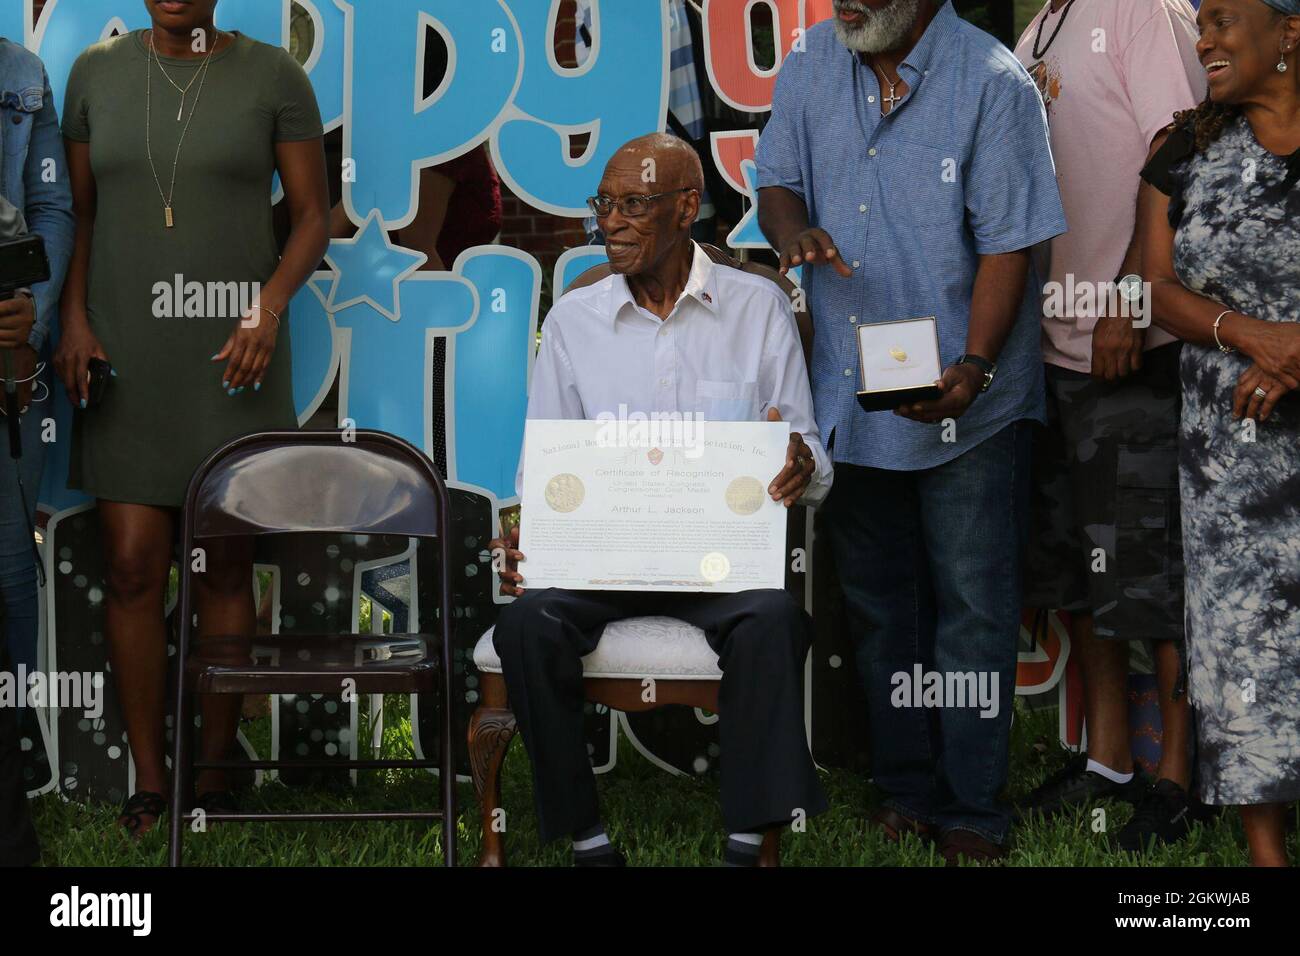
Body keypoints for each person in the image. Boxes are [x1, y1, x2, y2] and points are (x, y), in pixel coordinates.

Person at [755, 0, 1066, 863]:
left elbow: (1011, 248)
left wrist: (974, 366)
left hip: (970, 398)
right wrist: (792, 233)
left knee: (972, 607)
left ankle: (971, 807)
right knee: (881, 604)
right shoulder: (814, 57)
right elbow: (774, 177)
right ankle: (906, 788)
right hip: (852, 391)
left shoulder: (995, 85)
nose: (847, 3)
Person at [488, 132, 830, 867]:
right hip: (603, 565)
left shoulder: (757, 308)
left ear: (685, 207)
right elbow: (542, 468)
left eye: (634, 205)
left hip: (718, 567)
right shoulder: (575, 320)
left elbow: (804, 447)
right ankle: (587, 838)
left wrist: (801, 463)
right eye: (603, 205)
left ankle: (750, 840)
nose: (610, 223)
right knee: (526, 626)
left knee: (774, 619)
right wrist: (526, 535)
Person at [53, 0, 329, 836]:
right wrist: (73, 320)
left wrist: (267, 309)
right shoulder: (95, 75)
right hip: (126, 350)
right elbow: (81, 214)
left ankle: (215, 773)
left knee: (223, 569)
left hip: (233, 355)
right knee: (133, 564)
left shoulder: (274, 76)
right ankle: (149, 778)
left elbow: (315, 217)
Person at [1011, 0, 1207, 852]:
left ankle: (1183, 783)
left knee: (1150, 577)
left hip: (1130, 342)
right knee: (1080, 580)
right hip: (1051, 350)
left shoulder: (1139, 9)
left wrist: (1129, 295)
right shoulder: (1037, 27)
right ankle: (1110, 763)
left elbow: (1181, 149)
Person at [1138, 0, 1299, 867]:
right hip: (1230, 456)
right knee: (1242, 644)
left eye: (1225, 19)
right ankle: (1265, 857)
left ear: (1291, 33)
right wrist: (1252, 336)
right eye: (1199, 22)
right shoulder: (1184, 147)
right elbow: (1151, 291)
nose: (1204, 38)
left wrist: (1293, 352)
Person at [0, 33, 73, 866]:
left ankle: (17, 776)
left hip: (6, 362)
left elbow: (46, 211)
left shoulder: (19, 73)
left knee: (10, 574)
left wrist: (32, 315)